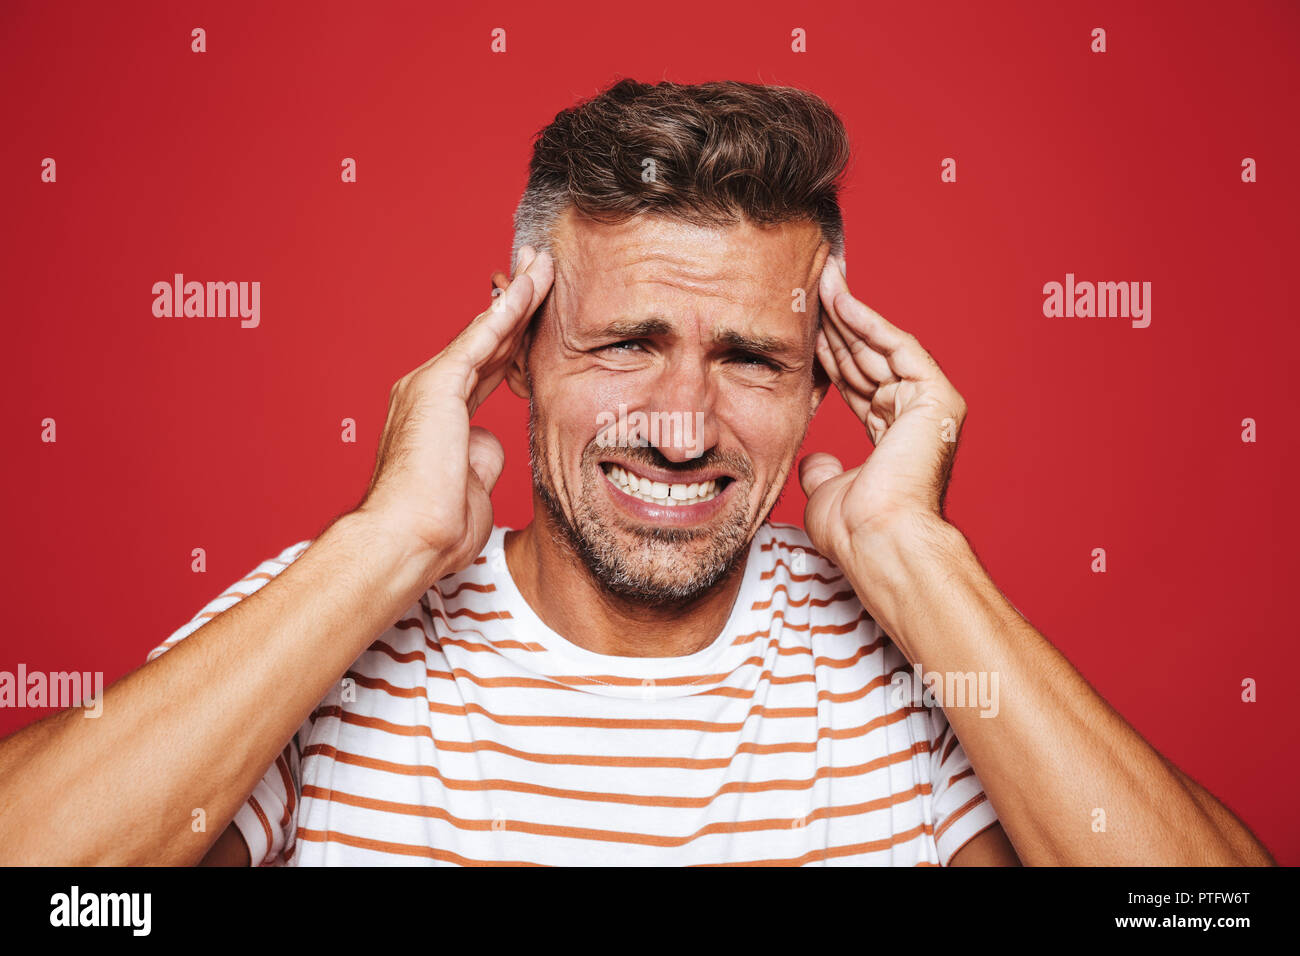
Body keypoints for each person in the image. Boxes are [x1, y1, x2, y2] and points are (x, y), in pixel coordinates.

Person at [0, 79, 1273, 866]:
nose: (680, 424)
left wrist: (916, 557)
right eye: (626, 343)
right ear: (512, 350)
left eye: (751, 360)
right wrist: (379, 550)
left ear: (820, 382)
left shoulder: (914, 655)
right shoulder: (333, 611)